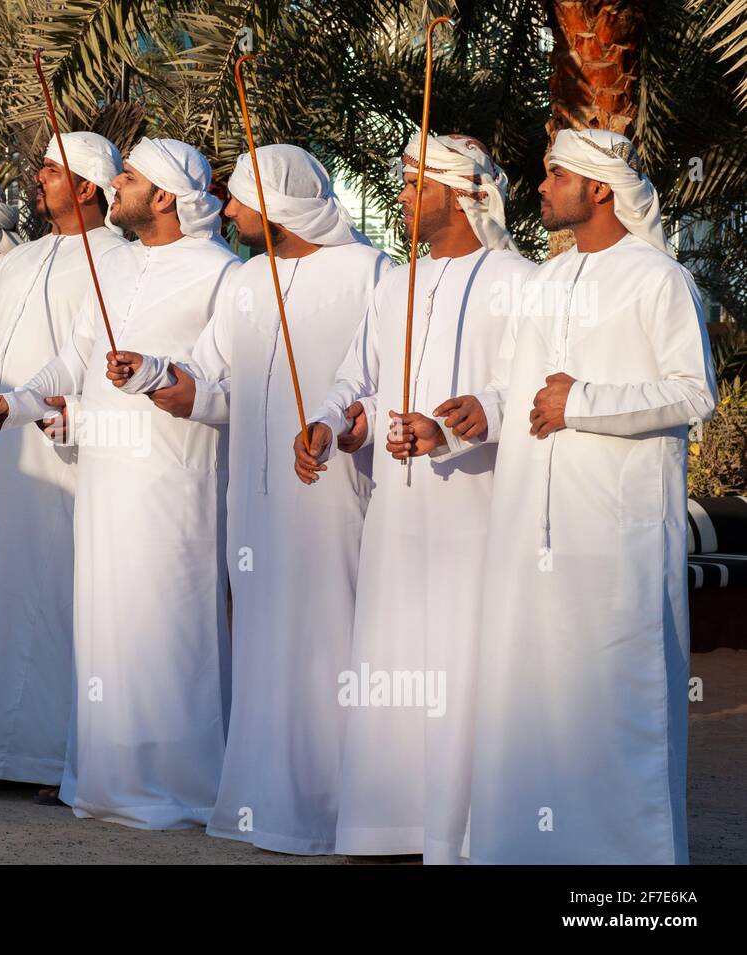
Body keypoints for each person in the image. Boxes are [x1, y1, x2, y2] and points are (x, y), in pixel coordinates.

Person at [109, 143, 391, 852]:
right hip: (257, 503)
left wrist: (353, 424)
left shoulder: (369, 272)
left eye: (239, 199)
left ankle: (337, 811)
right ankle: (264, 805)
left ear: (281, 205)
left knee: (331, 639)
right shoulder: (248, 280)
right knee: (264, 643)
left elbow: (384, 380)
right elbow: (212, 380)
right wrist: (152, 375)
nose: (227, 211)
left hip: (334, 492)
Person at [448, 128, 715, 865]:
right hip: (528, 531)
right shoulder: (543, 280)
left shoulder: (659, 279)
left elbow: (694, 393)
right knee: (533, 694)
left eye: (555, 175)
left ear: (599, 187)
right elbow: (519, 390)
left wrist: (585, 402)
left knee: (613, 697)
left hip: (613, 530)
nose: (540, 187)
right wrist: (482, 413)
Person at [0, 137, 238, 828]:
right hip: (104, 480)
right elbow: (74, 359)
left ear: (163, 196)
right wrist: (20, 402)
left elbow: (226, 385)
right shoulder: (116, 266)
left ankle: (179, 783)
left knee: (168, 624)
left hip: (174, 480)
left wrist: (156, 373)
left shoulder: (220, 272)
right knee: (107, 626)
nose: (115, 186)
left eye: (127, 177)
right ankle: (107, 778)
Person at [294, 132, 535, 863]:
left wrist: (463, 422)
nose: (398, 195)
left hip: (476, 512)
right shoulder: (392, 284)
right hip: (397, 515)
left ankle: (457, 834)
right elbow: (357, 379)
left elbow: (529, 387)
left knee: (463, 667)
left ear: (458, 192)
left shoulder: (519, 281)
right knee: (395, 662)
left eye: (409, 182)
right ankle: (386, 825)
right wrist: (334, 423)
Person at [0, 132, 126, 792]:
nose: (38, 176)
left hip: (62, 452)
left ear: (86, 187)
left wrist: (60, 412)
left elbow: (94, 363)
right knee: (0, 587)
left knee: (55, 594)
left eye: (52, 169)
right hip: (2, 448)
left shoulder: (117, 263)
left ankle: (54, 757)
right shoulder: (19, 263)